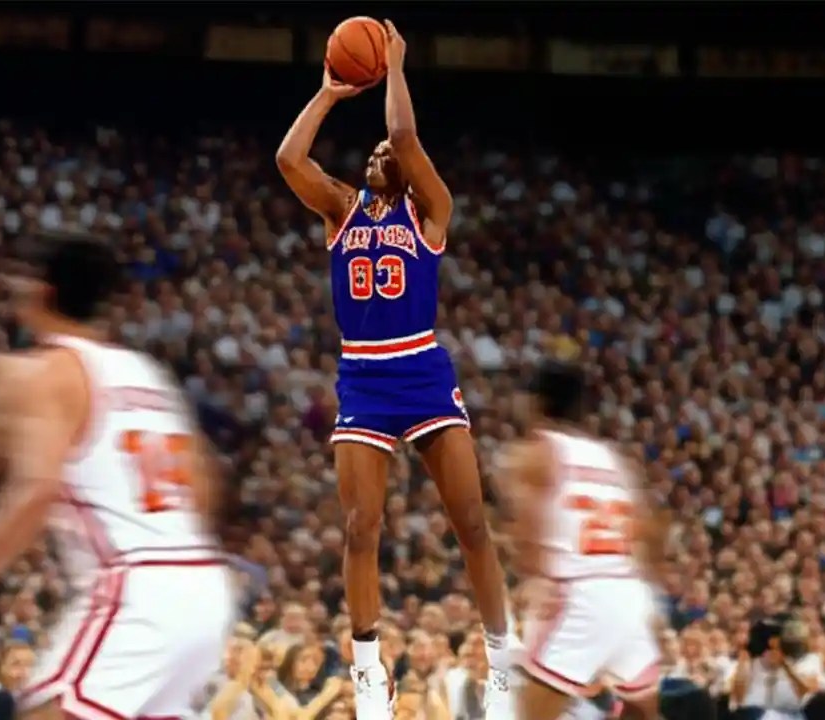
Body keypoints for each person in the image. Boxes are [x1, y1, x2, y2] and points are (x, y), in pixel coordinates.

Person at [0, 231, 233, 720]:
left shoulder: (52, 372)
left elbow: (35, 490)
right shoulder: (146, 372)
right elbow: (205, 485)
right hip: (203, 587)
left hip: (136, 587)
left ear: (42, 292)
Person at [275, 20, 513, 717]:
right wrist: (325, 94)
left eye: (386, 150)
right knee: (360, 528)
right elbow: (290, 159)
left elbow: (405, 138)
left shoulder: (431, 214)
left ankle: (502, 666)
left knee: (470, 521)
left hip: (423, 372)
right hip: (365, 378)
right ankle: (369, 675)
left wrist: (397, 68)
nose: (378, 150)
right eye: (374, 148)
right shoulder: (342, 209)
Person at [495, 361, 667, 720]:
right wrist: (647, 586)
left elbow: (526, 527)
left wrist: (534, 577)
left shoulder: (535, 452)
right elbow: (653, 527)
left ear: (536, 403)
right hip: (628, 591)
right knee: (643, 713)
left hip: (577, 593)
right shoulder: (612, 459)